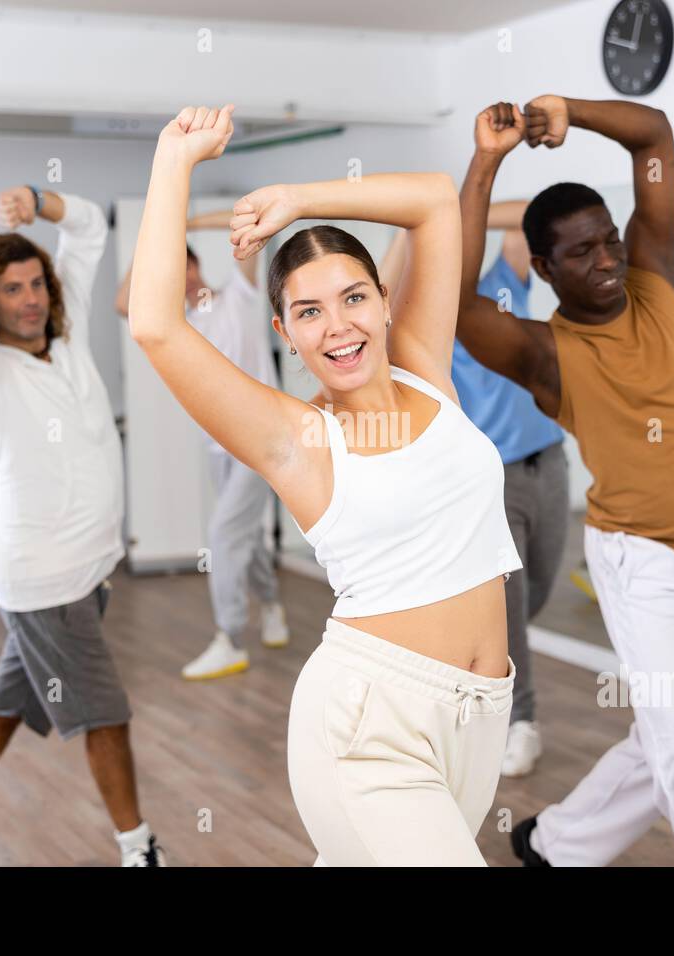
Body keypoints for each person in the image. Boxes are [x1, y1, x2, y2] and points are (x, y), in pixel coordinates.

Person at [127, 104, 521, 866]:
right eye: (308, 312)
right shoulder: (298, 437)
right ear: (286, 334)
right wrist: (172, 163)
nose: (338, 326)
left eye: (352, 297)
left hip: (480, 717)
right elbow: (155, 326)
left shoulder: (424, 369)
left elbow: (436, 200)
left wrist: (300, 200)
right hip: (370, 724)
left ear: (380, 298)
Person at [452, 98, 674, 866]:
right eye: (580, 253)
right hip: (644, 564)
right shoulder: (543, 353)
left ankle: (555, 844)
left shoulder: (658, 279)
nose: (607, 260)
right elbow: (450, 305)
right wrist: (488, 160)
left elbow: (654, 131)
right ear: (544, 270)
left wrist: (567, 113)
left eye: (609, 241)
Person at [0, 166, 165, 867]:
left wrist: (40, 203)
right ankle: (140, 850)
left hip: (89, 571)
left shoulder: (68, 333)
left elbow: (90, 228)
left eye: (36, 283)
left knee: (5, 708)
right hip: (46, 579)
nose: (29, 299)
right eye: (10, 289)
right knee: (106, 716)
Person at [380, 202, 570, 778]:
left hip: (550, 461)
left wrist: (448, 214)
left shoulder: (499, 290)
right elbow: (382, 293)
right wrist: (408, 223)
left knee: (535, 593)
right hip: (493, 480)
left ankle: (469, 674)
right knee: (509, 609)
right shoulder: (421, 320)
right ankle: (521, 722)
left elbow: (531, 216)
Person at [115, 214, 289, 680]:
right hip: (220, 446)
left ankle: (229, 638)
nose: (186, 277)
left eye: (187, 266)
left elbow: (251, 237)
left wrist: (185, 222)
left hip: (262, 441)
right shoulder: (179, 325)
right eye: (175, 271)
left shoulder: (240, 296)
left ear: (197, 266)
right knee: (244, 538)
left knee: (223, 534)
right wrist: (151, 242)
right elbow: (123, 304)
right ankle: (272, 604)